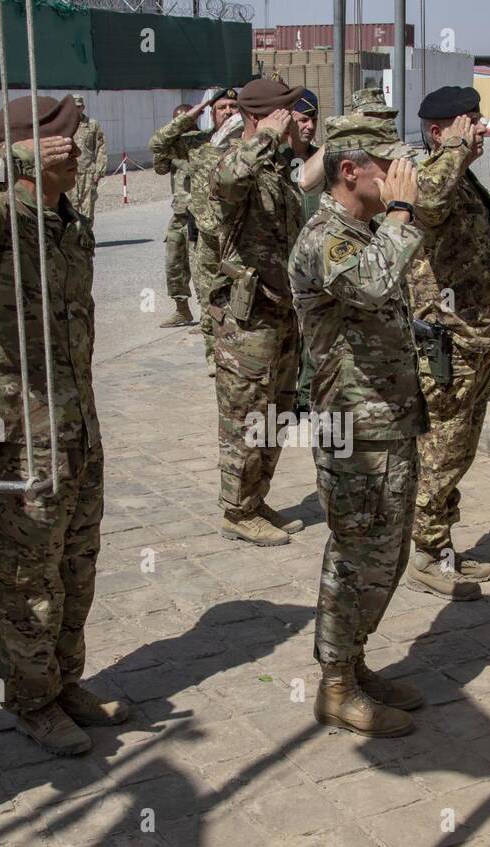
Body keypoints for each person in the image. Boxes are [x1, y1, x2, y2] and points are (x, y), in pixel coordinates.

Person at [0, 94, 128, 757]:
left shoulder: (65, 219)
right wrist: (3, 164)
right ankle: (30, 699)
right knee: (25, 576)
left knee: (76, 566)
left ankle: (64, 680)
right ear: (33, 149)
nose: (81, 148)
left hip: (75, 427)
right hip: (15, 435)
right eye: (69, 138)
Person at [289, 114, 428, 737]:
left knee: (389, 552)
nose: (404, 177)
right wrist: (400, 214)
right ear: (351, 172)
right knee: (355, 555)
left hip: (387, 420)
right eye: (389, 166)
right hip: (354, 428)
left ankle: (354, 660)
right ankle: (335, 685)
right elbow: (371, 285)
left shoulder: (363, 232)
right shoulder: (327, 237)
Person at [407, 85, 490, 601]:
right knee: (441, 447)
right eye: (466, 122)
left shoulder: (463, 178)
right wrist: (451, 150)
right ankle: (425, 553)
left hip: (475, 337)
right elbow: (426, 202)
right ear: (437, 130)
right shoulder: (429, 175)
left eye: (476, 119)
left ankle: (441, 542)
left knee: (460, 448)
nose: (477, 130)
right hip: (448, 341)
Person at [209, 77, 308, 547]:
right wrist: (266, 133)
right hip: (247, 320)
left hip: (281, 309)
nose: (295, 118)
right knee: (246, 414)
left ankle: (254, 498)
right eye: (285, 111)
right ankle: (235, 510)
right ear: (258, 117)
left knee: (277, 411)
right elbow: (228, 180)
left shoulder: (275, 166)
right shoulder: (231, 159)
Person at [186, 88, 242, 373]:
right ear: (212, 112)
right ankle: (213, 354)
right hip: (205, 237)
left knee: (239, 298)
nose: (229, 111)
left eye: (234, 106)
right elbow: (158, 146)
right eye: (222, 107)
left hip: (237, 237)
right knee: (209, 296)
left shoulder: (246, 145)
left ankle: (236, 352)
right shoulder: (197, 144)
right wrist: (190, 116)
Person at [149, 102, 210, 329]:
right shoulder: (172, 144)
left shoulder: (203, 141)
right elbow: (160, 167)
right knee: (174, 263)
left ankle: (208, 315)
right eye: (177, 120)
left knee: (201, 267)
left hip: (199, 214)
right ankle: (182, 310)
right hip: (179, 213)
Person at [288, 87, 321, 415]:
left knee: (312, 331)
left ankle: (305, 396)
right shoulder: (274, 160)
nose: (309, 125)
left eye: (313, 118)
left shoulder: (321, 159)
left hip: (312, 264)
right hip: (280, 262)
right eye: (302, 118)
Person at [68, 94, 107, 222]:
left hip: (88, 173)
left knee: (87, 210)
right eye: (73, 107)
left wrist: (99, 171)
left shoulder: (92, 125)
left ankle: (86, 239)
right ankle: (72, 240)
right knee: (70, 208)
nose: (76, 110)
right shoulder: (65, 125)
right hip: (69, 173)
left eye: (78, 107)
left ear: (83, 107)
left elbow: (101, 147)